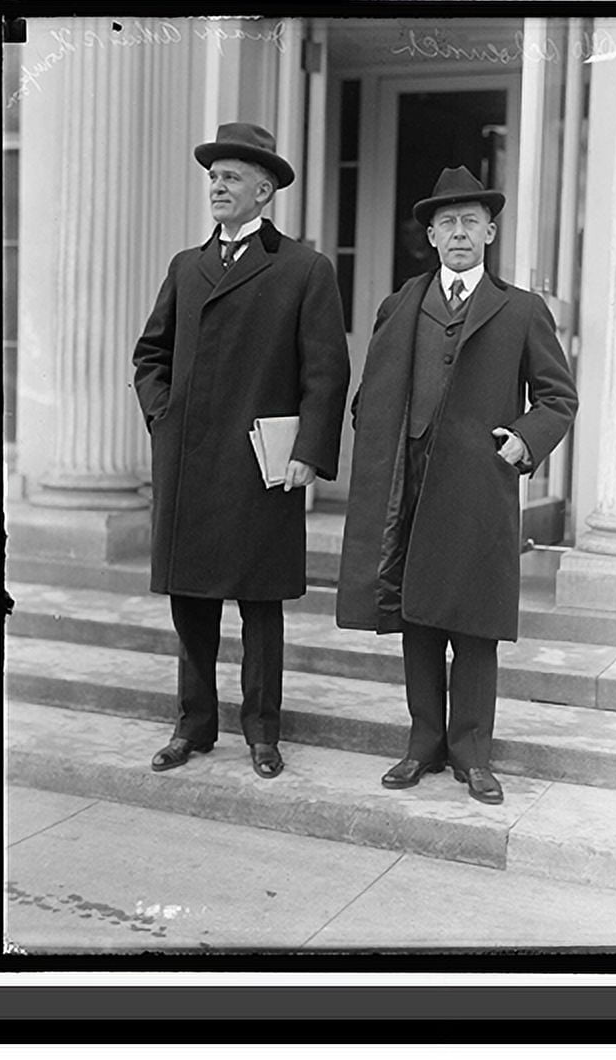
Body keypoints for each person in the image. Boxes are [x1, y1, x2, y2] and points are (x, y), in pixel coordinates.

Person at [336, 166, 578, 805]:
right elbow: (369, 394)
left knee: (473, 622)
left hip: (478, 488)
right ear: (431, 237)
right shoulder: (401, 305)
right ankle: (423, 744)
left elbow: (557, 397)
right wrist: (382, 436)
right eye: (447, 223)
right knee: (417, 615)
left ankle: (472, 753)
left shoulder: (520, 309)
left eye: (471, 221)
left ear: (490, 232)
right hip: (410, 484)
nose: (460, 233)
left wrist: (522, 440)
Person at [133, 122, 350, 778]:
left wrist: (308, 451)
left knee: (260, 602)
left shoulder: (304, 269)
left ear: (264, 191)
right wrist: (163, 416)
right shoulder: (186, 266)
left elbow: (326, 371)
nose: (217, 187)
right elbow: (151, 354)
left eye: (231, 177)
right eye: (213, 177)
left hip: (262, 463)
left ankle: (262, 731)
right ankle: (194, 725)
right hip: (190, 460)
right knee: (190, 601)